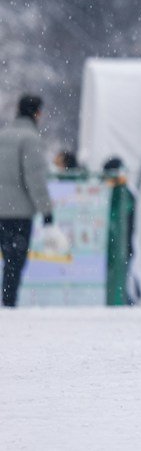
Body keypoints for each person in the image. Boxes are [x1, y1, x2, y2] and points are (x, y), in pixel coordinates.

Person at [0, 94, 53, 307]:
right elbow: (35, 179)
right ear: (37, 113)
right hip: (19, 212)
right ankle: (9, 303)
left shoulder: (3, 135)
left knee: (8, 257)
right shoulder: (30, 139)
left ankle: (6, 301)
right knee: (15, 261)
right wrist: (46, 210)